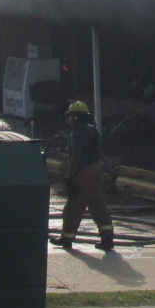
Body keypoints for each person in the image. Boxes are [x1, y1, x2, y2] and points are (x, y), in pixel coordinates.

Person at [51, 101, 114, 252]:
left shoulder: (77, 133)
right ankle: (107, 239)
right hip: (97, 171)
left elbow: (76, 156)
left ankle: (66, 238)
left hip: (84, 172)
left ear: (76, 117)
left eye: (71, 116)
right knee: (98, 206)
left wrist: (70, 175)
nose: (69, 120)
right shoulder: (93, 131)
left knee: (73, 207)